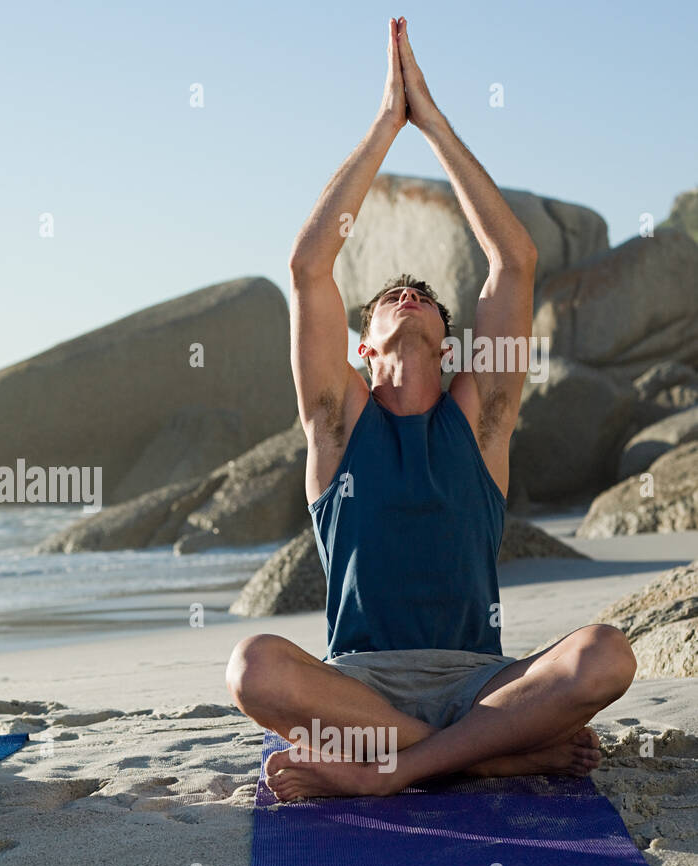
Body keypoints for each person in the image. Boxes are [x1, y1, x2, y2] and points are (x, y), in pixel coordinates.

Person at [225, 18, 636, 801]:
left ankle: (410, 766)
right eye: (388, 301)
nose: (407, 295)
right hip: (359, 696)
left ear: (452, 354)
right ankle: (484, 758)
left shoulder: (483, 422)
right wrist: (388, 122)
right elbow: (309, 264)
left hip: (480, 686)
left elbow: (513, 260)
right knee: (252, 666)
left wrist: (435, 124)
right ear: (364, 352)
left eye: (424, 301)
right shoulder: (336, 422)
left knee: (608, 654)